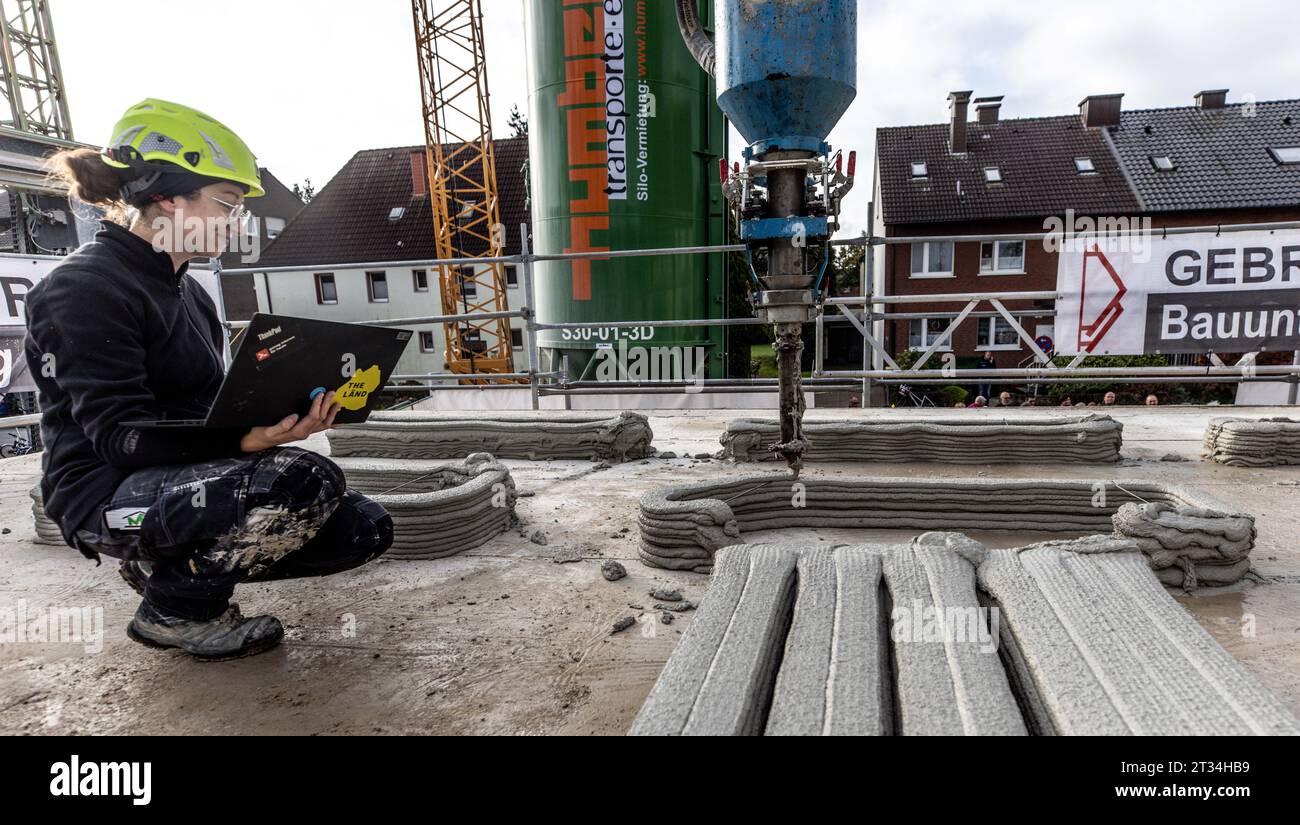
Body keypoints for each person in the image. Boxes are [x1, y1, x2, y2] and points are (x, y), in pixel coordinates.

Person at [25, 99, 393, 661]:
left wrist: (274, 412)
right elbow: (120, 437)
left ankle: (168, 565)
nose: (236, 221)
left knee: (365, 527)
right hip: (101, 491)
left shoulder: (188, 291)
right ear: (166, 197)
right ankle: (175, 611)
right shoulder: (84, 288)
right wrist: (247, 441)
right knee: (299, 482)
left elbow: (205, 408)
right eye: (226, 203)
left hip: (173, 474)